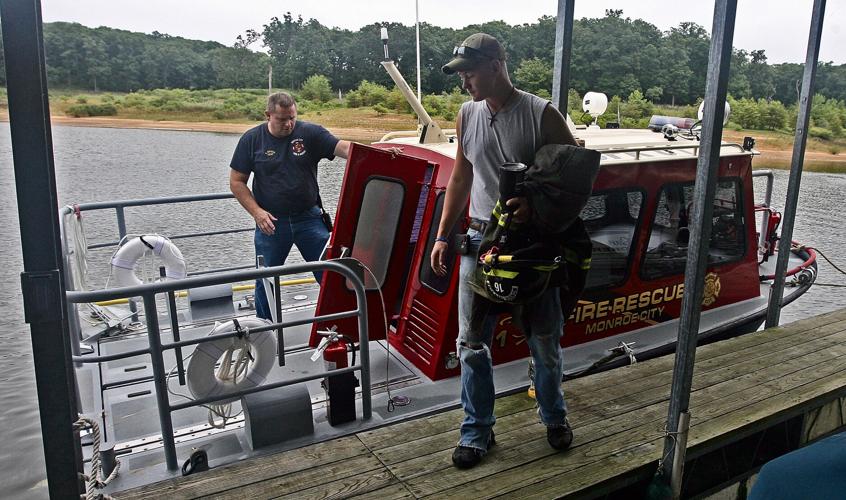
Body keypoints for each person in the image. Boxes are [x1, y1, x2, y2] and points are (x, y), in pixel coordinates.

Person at [431, 33, 579, 469]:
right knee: (471, 343)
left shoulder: (542, 115)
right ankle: (477, 431)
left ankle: (554, 417)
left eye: (470, 73)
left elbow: (574, 180)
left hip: (533, 246)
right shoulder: (466, 114)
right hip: (479, 240)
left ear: (497, 64)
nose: (464, 84)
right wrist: (443, 235)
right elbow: (461, 176)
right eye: (461, 75)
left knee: (544, 339)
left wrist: (534, 202)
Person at [230, 91, 351, 320]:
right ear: (268, 115)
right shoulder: (252, 139)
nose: (288, 124)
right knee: (266, 280)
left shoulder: (310, 133)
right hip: (271, 223)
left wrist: (380, 153)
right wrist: (257, 212)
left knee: (332, 273)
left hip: (310, 219)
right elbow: (237, 182)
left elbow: (343, 148)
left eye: (292, 117)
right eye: (282, 119)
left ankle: (341, 325)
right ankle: (267, 331)